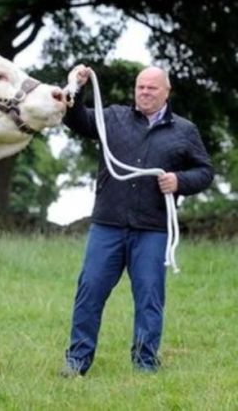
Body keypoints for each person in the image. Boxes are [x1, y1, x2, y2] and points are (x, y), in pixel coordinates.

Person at [60, 65, 214, 376]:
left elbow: (205, 172)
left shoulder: (185, 131)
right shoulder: (113, 117)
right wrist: (77, 87)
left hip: (152, 230)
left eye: (151, 88)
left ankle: (145, 364)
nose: (144, 92)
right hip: (107, 224)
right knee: (89, 292)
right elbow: (75, 118)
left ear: (166, 92)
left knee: (149, 298)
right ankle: (77, 362)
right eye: (140, 87)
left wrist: (179, 181)